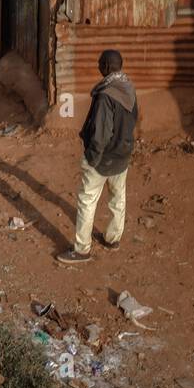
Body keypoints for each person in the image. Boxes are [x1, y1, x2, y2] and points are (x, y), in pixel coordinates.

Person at [58, 50, 139, 264]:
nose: (97, 66)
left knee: (87, 201)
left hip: (102, 158)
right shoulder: (129, 89)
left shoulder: (105, 96)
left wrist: (91, 158)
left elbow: (99, 134)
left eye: (99, 63)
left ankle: (82, 250)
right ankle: (112, 239)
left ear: (105, 66)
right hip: (122, 155)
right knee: (117, 199)